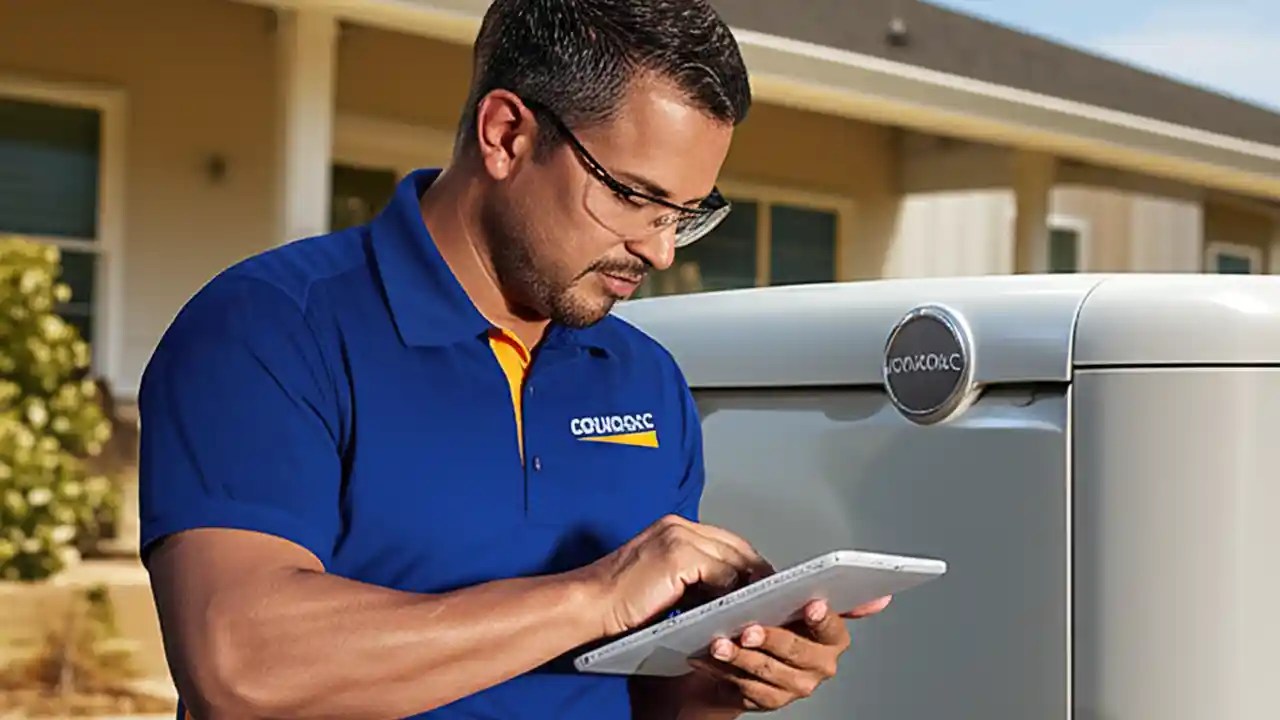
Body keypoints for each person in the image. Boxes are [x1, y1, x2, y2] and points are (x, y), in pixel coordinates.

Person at [137, 1, 891, 718]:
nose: (660, 249)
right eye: (634, 198)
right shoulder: (272, 328)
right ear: (505, 135)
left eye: (685, 216)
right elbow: (238, 665)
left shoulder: (645, 378)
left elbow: (642, 699)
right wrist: (593, 595)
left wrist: (731, 676)